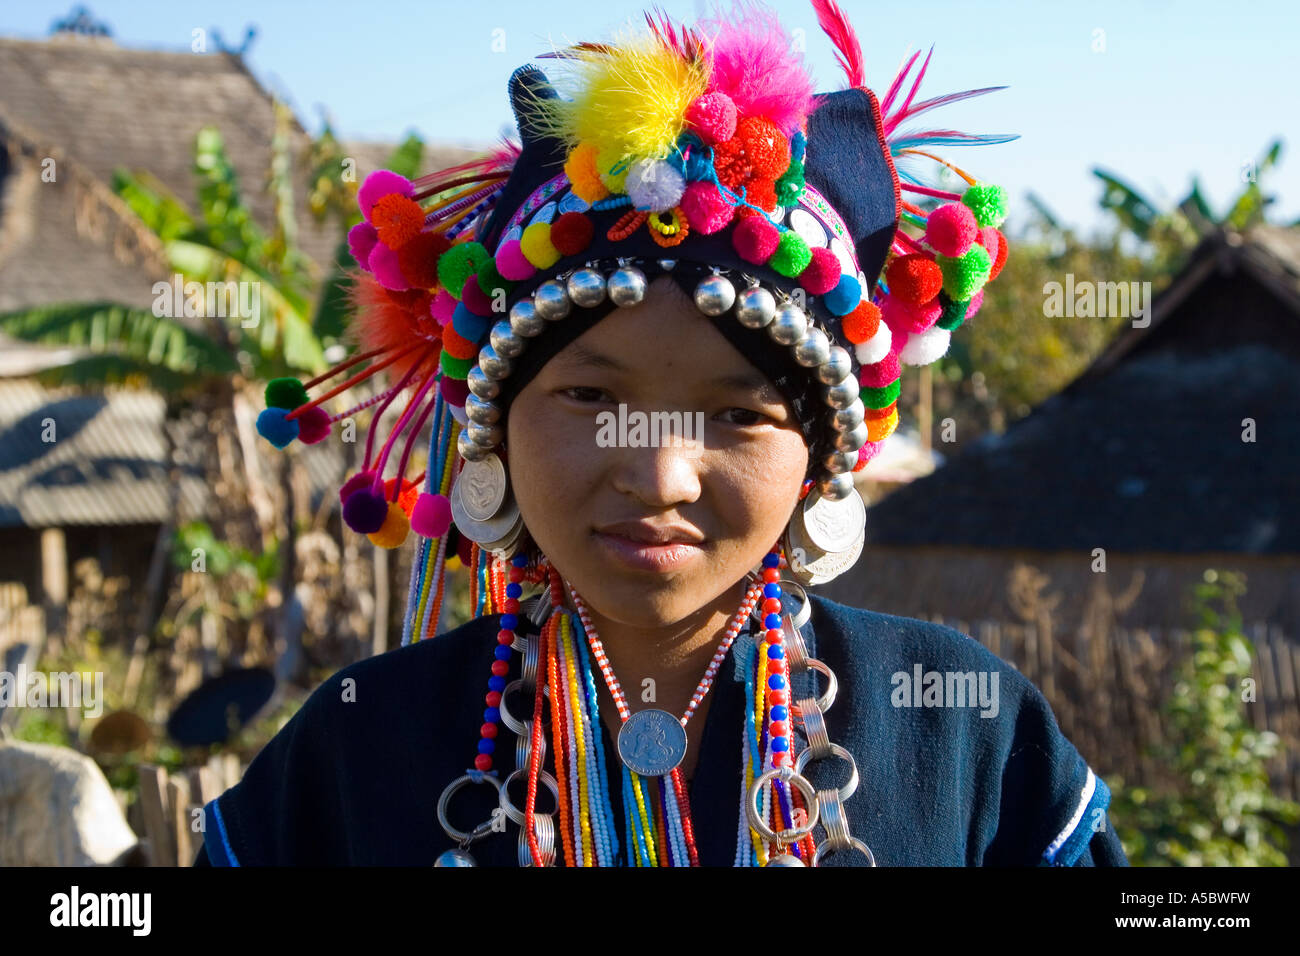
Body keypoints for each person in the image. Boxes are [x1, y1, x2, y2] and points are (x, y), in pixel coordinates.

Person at [197, 0, 1127, 867]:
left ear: (825, 455)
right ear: (492, 430)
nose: (660, 474)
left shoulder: (967, 731)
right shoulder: (356, 748)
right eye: (591, 399)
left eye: (738, 414)